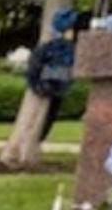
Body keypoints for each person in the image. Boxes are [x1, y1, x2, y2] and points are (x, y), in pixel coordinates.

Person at [25, 9, 84, 141]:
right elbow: (35, 68)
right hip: (47, 87)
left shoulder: (69, 47)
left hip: (56, 88)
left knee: (48, 118)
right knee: (42, 119)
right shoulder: (51, 48)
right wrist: (44, 84)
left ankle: (37, 139)